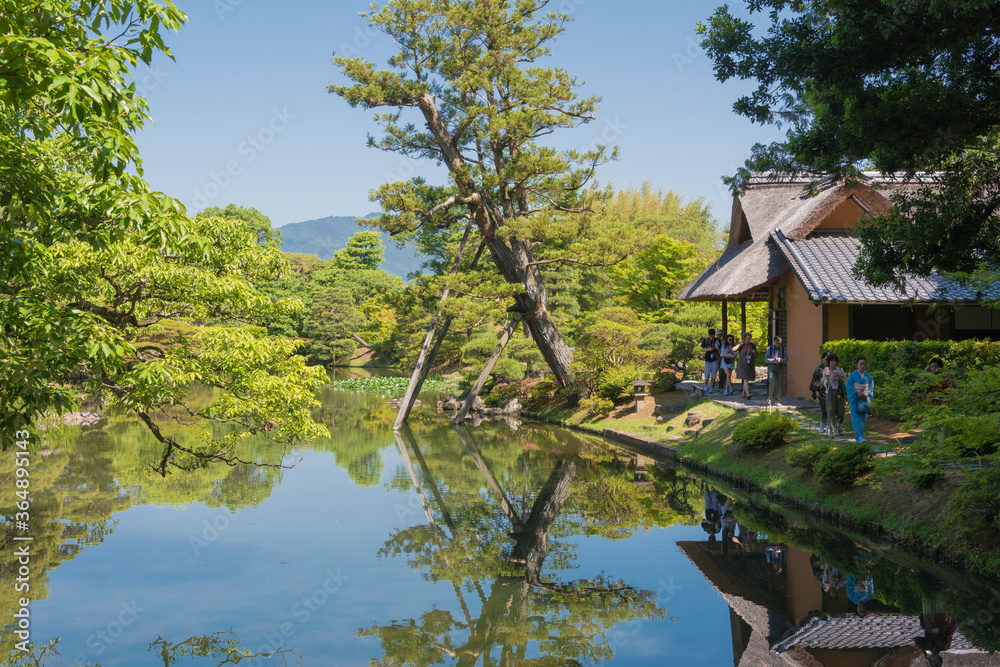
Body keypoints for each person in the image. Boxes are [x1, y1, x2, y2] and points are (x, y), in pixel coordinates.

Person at [847, 356, 874, 443]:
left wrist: (868, 393)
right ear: (857, 364)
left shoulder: (868, 376)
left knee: (863, 418)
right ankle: (859, 436)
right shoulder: (852, 375)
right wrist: (856, 391)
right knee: (856, 418)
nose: (862, 366)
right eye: (860, 364)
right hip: (856, 398)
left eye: (864, 364)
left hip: (864, 399)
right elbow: (849, 386)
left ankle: (859, 436)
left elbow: (871, 387)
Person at [823, 353, 848, 437]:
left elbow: (845, 381)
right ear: (829, 362)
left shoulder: (840, 370)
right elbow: (826, 385)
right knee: (831, 411)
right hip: (830, 392)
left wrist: (838, 375)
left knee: (841, 412)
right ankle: (831, 430)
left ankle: (838, 424)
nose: (834, 363)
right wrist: (828, 378)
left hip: (839, 392)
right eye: (832, 361)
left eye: (835, 361)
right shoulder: (826, 371)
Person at [733, 332, 757, 399]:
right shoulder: (741, 345)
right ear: (744, 338)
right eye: (747, 338)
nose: (748, 340)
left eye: (749, 338)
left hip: (750, 364)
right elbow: (733, 349)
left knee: (746, 379)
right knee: (745, 379)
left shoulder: (752, 345)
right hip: (742, 365)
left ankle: (743, 393)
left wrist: (754, 353)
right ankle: (748, 394)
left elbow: (756, 356)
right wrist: (740, 344)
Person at [810, 352, 830, 432]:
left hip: (830, 391)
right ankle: (828, 426)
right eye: (826, 359)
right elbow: (815, 381)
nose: (827, 361)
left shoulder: (832, 368)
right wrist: (816, 391)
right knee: (825, 408)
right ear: (822, 359)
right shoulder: (819, 369)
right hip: (821, 392)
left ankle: (822, 424)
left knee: (829, 408)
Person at [765, 335, 787, 406]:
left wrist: (781, 360)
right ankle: (770, 398)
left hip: (780, 366)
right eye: (777, 343)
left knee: (779, 384)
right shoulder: (770, 348)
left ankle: (778, 400)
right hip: (772, 366)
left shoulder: (783, 348)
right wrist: (773, 360)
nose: (778, 344)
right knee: (772, 382)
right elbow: (766, 358)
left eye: (780, 343)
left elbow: (786, 358)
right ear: (774, 341)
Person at [701, 328, 721, 394]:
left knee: (714, 374)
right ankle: (706, 386)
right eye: (710, 336)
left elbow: (721, 350)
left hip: (715, 359)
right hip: (708, 359)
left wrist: (718, 348)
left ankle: (711, 387)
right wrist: (708, 349)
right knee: (707, 374)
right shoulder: (706, 340)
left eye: (712, 336)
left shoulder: (717, 340)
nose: (711, 337)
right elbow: (702, 349)